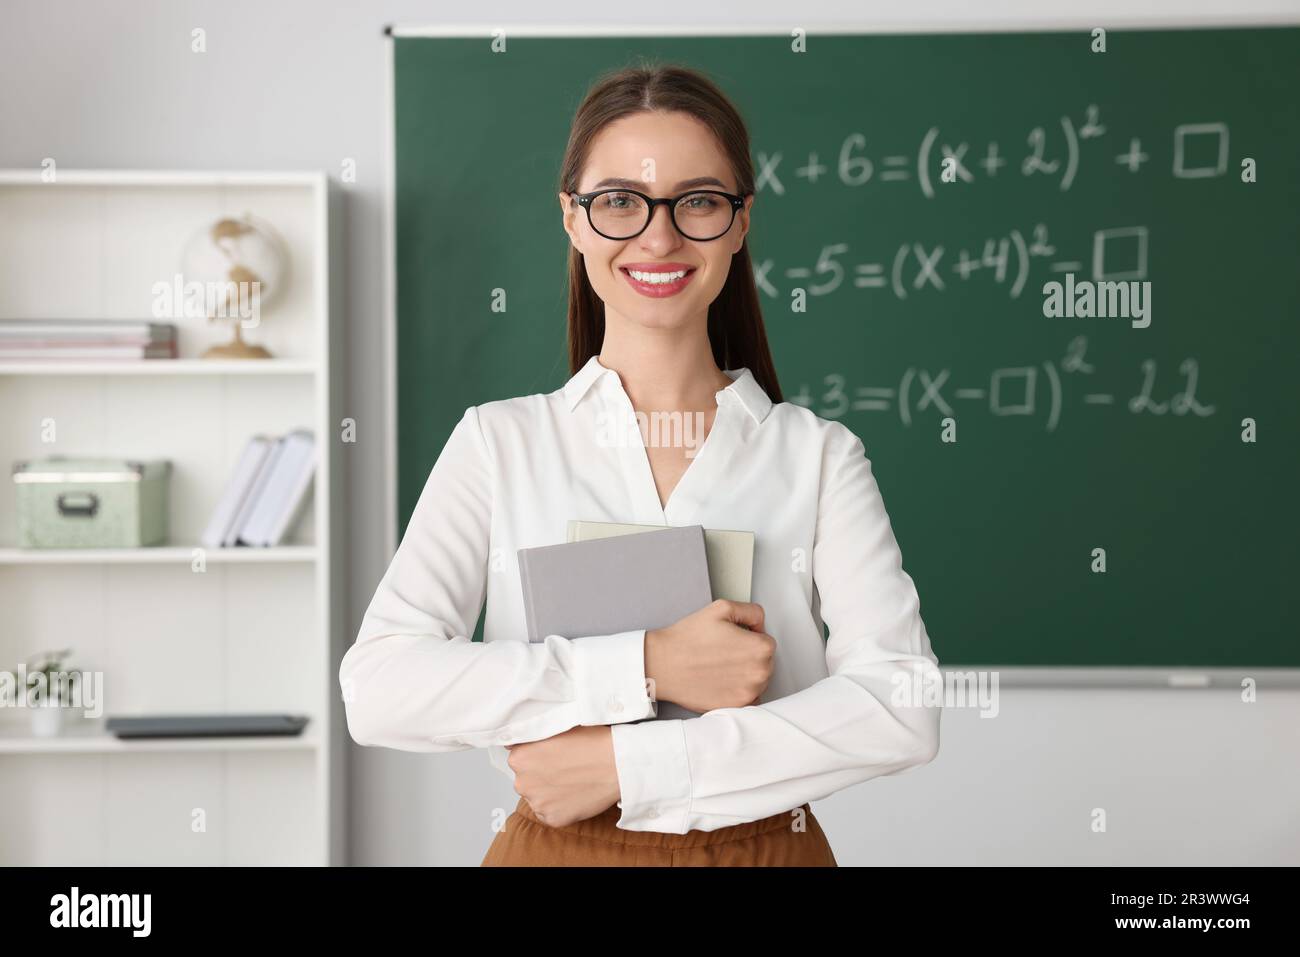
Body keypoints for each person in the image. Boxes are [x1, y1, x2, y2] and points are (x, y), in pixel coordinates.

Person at [341, 62, 942, 867]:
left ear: (739, 222)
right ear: (573, 217)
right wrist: (646, 663)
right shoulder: (499, 443)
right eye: (620, 201)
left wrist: (630, 762)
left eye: (697, 201)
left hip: (763, 851)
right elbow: (379, 688)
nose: (658, 238)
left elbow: (902, 705)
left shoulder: (818, 456)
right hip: (556, 849)